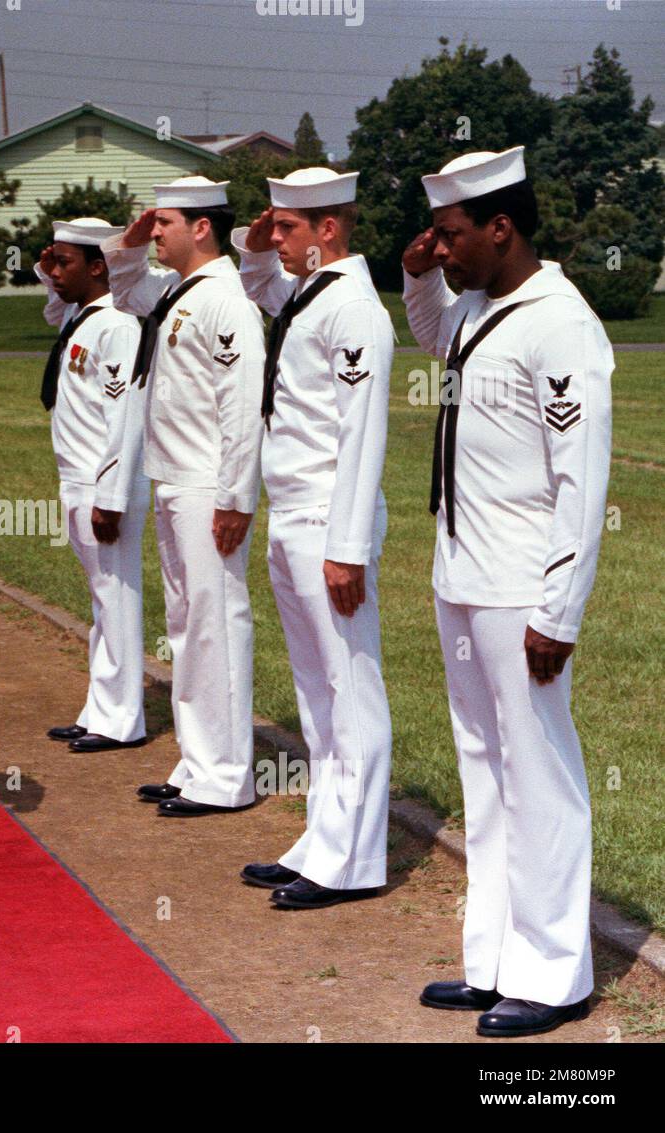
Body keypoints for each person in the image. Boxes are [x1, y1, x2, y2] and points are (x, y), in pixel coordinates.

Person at [402, 146, 612, 1038]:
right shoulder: (483, 307)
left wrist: (558, 610)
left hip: (521, 587)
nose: (441, 249)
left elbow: (582, 480)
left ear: (502, 228)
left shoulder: (558, 322)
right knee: (484, 777)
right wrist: (417, 278)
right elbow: (430, 332)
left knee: (538, 776)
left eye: (451, 236)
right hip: (464, 578)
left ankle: (555, 972)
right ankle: (492, 958)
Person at [230, 168, 394, 909]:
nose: (278, 242)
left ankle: (353, 858)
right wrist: (261, 242)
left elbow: (363, 436)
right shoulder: (307, 294)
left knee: (349, 687)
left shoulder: (354, 309)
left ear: (329, 229)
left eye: (290, 228)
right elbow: (258, 282)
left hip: (330, 514)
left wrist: (348, 544)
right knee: (316, 692)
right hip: (292, 509)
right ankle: (324, 837)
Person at [101, 177, 266, 817]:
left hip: (207, 484)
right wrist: (129, 244)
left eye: (165, 221)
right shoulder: (178, 291)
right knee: (186, 625)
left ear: (202, 228)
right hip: (174, 477)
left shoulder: (228, 299)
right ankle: (198, 761)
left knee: (216, 623)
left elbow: (242, 405)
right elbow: (124, 289)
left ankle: (226, 775)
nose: (155, 230)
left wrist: (236, 495)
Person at [34, 218, 147, 753]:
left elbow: (126, 416)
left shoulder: (119, 324)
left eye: (63, 263)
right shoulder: (80, 315)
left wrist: (112, 495)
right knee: (101, 599)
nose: (52, 272)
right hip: (76, 477)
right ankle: (101, 706)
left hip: (102, 485)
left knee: (116, 597)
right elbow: (54, 303)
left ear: (99, 266)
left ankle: (121, 717)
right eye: (49, 262)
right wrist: (47, 267)